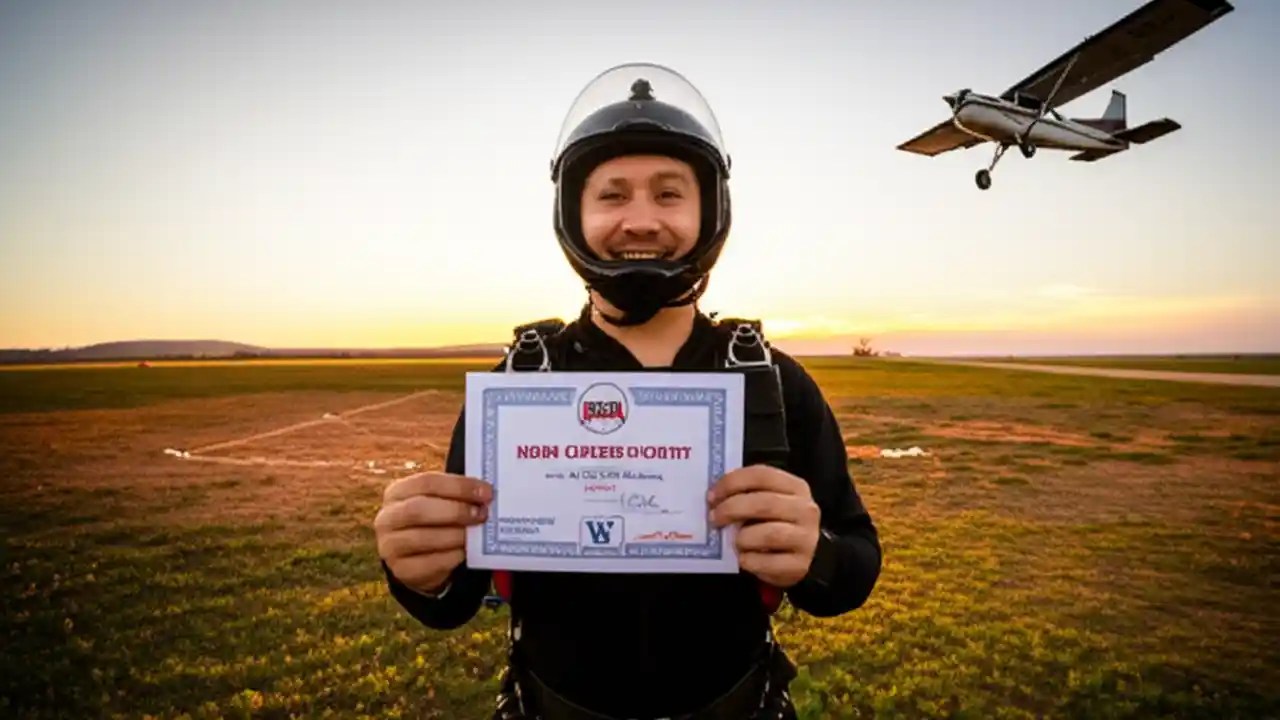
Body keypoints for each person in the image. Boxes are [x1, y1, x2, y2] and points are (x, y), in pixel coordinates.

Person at [374, 62, 882, 720]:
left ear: (710, 210)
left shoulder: (772, 381)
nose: (640, 221)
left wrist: (817, 557)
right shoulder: (521, 384)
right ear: (573, 213)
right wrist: (419, 572)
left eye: (669, 194)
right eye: (612, 196)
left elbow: (854, 561)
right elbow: (456, 596)